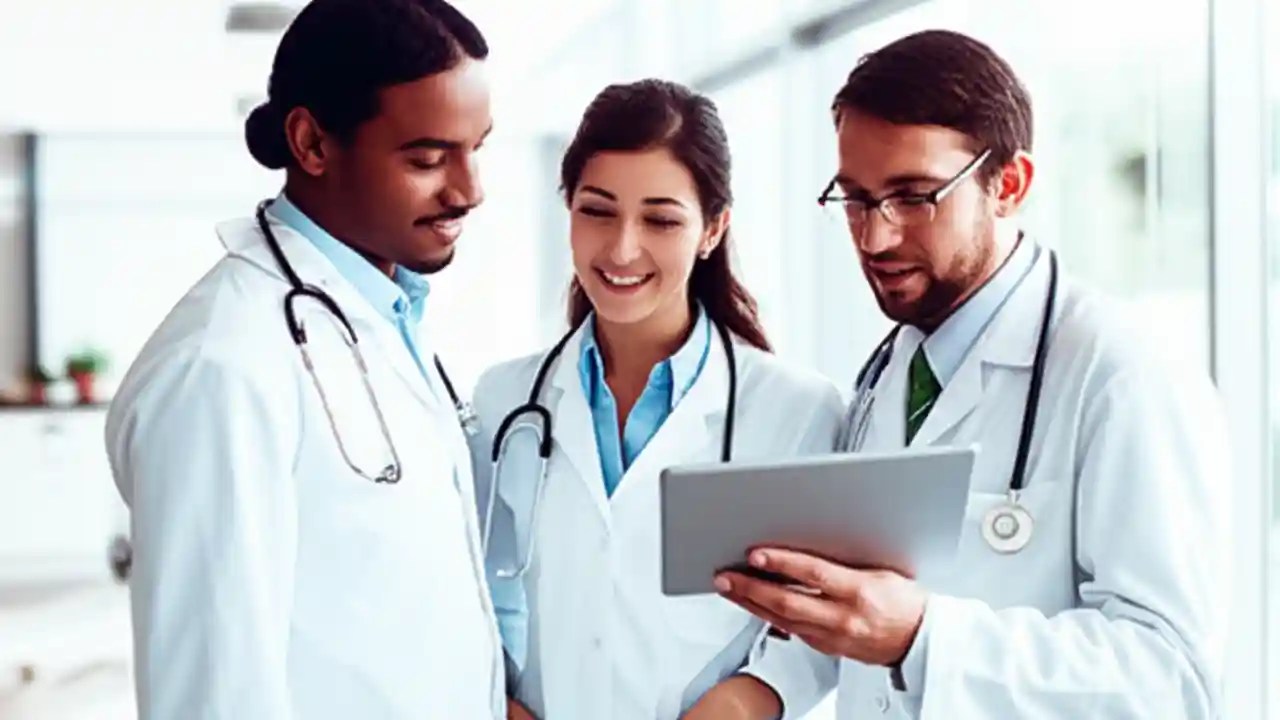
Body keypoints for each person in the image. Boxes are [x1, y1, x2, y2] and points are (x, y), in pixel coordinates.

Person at [716, 29, 1232, 719]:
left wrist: (921, 637)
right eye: (857, 200)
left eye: (914, 196)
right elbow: (863, 607)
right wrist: (762, 692)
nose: (876, 237)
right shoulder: (891, 372)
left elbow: (1173, 679)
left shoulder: (1123, 372)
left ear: (1009, 185)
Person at [103, 1, 504, 717]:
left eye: (478, 149)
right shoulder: (220, 367)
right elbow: (212, 693)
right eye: (427, 158)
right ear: (312, 144)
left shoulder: (385, 316)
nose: (469, 190)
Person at [469, 79, 844, 720]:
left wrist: (754, 697)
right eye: (597, 210)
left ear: (712, 229)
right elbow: (470, 592)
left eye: (661, 219)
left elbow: (827, 616)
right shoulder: (504, 399)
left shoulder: (799, 409)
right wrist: (492, 698)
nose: (621, 248)